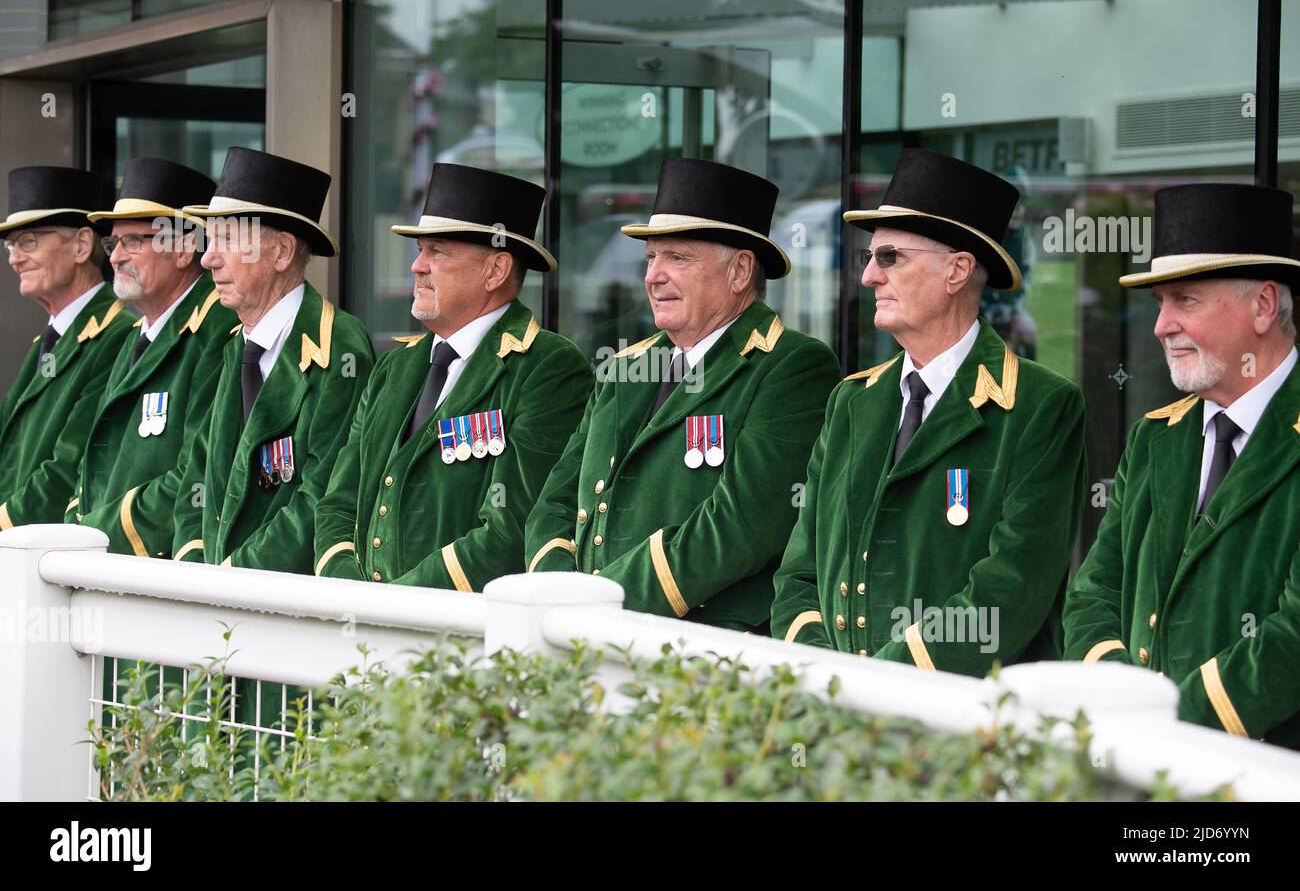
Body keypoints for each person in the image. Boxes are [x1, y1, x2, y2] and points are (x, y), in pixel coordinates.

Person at [771, 148, 1087, 674]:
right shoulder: (852, 400)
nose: (870, 275)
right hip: (837, 711)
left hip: (962, 724)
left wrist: (879, 681)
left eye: (891, 257)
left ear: (958, 271)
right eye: (869, 258)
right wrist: (827, 676)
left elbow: (1008, 591)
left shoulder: (1040, 406)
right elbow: (799, 574)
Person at [525, 157, 840, 633]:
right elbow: (556, 502)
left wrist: (598, 606)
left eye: (678, 258)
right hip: (591, 636)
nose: (652, 276)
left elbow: (739, 528)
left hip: (703, 654)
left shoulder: (791, 366)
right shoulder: (624, 368)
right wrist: (559, 596)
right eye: (650, 258)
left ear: (739, 272)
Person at [1064, 182, 1300, 748]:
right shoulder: (1155, 438)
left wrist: (1167, 725)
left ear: (1264, 305)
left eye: (1185, 300)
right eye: (1160, 303)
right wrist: (1122, 701)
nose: (1161, 326)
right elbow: (1092, 594)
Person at [315, 163, 591, 588]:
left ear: (495, 271)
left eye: (437, 252)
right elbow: (337, 505)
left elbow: (510, 528)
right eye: (420, 250)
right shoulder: (395, 366)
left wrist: (397, 604)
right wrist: (350, 593)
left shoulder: (547, 367)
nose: (417, 267)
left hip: (459, 636)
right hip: (368, 629)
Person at [171, 147, 373, 573]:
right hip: (215, 601)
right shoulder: (232, 346)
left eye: (227, 240)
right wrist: (191, 571)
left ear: (282, 252)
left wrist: (232, 577)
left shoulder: (340, 347)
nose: (207, 258)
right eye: (211, 240)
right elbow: (197, 475)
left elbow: (321, 495)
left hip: (282, 608)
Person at [66, 158, 236, 557]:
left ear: (182, 248)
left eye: (133, 242)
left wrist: (90, 536)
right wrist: (75, 528)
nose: (114, 257)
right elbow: (90, 464)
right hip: (105, 565)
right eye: (112, 243)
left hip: (156, 570)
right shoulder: (134, 336)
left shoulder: (218, 331)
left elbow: (194, 477)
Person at [0, 166, 130, 528]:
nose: (14, 258)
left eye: (29, 241)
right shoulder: (47, 340)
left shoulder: (117, 334)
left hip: (50, 554)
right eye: (10, 245)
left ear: (82, 245)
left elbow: (65, 468)